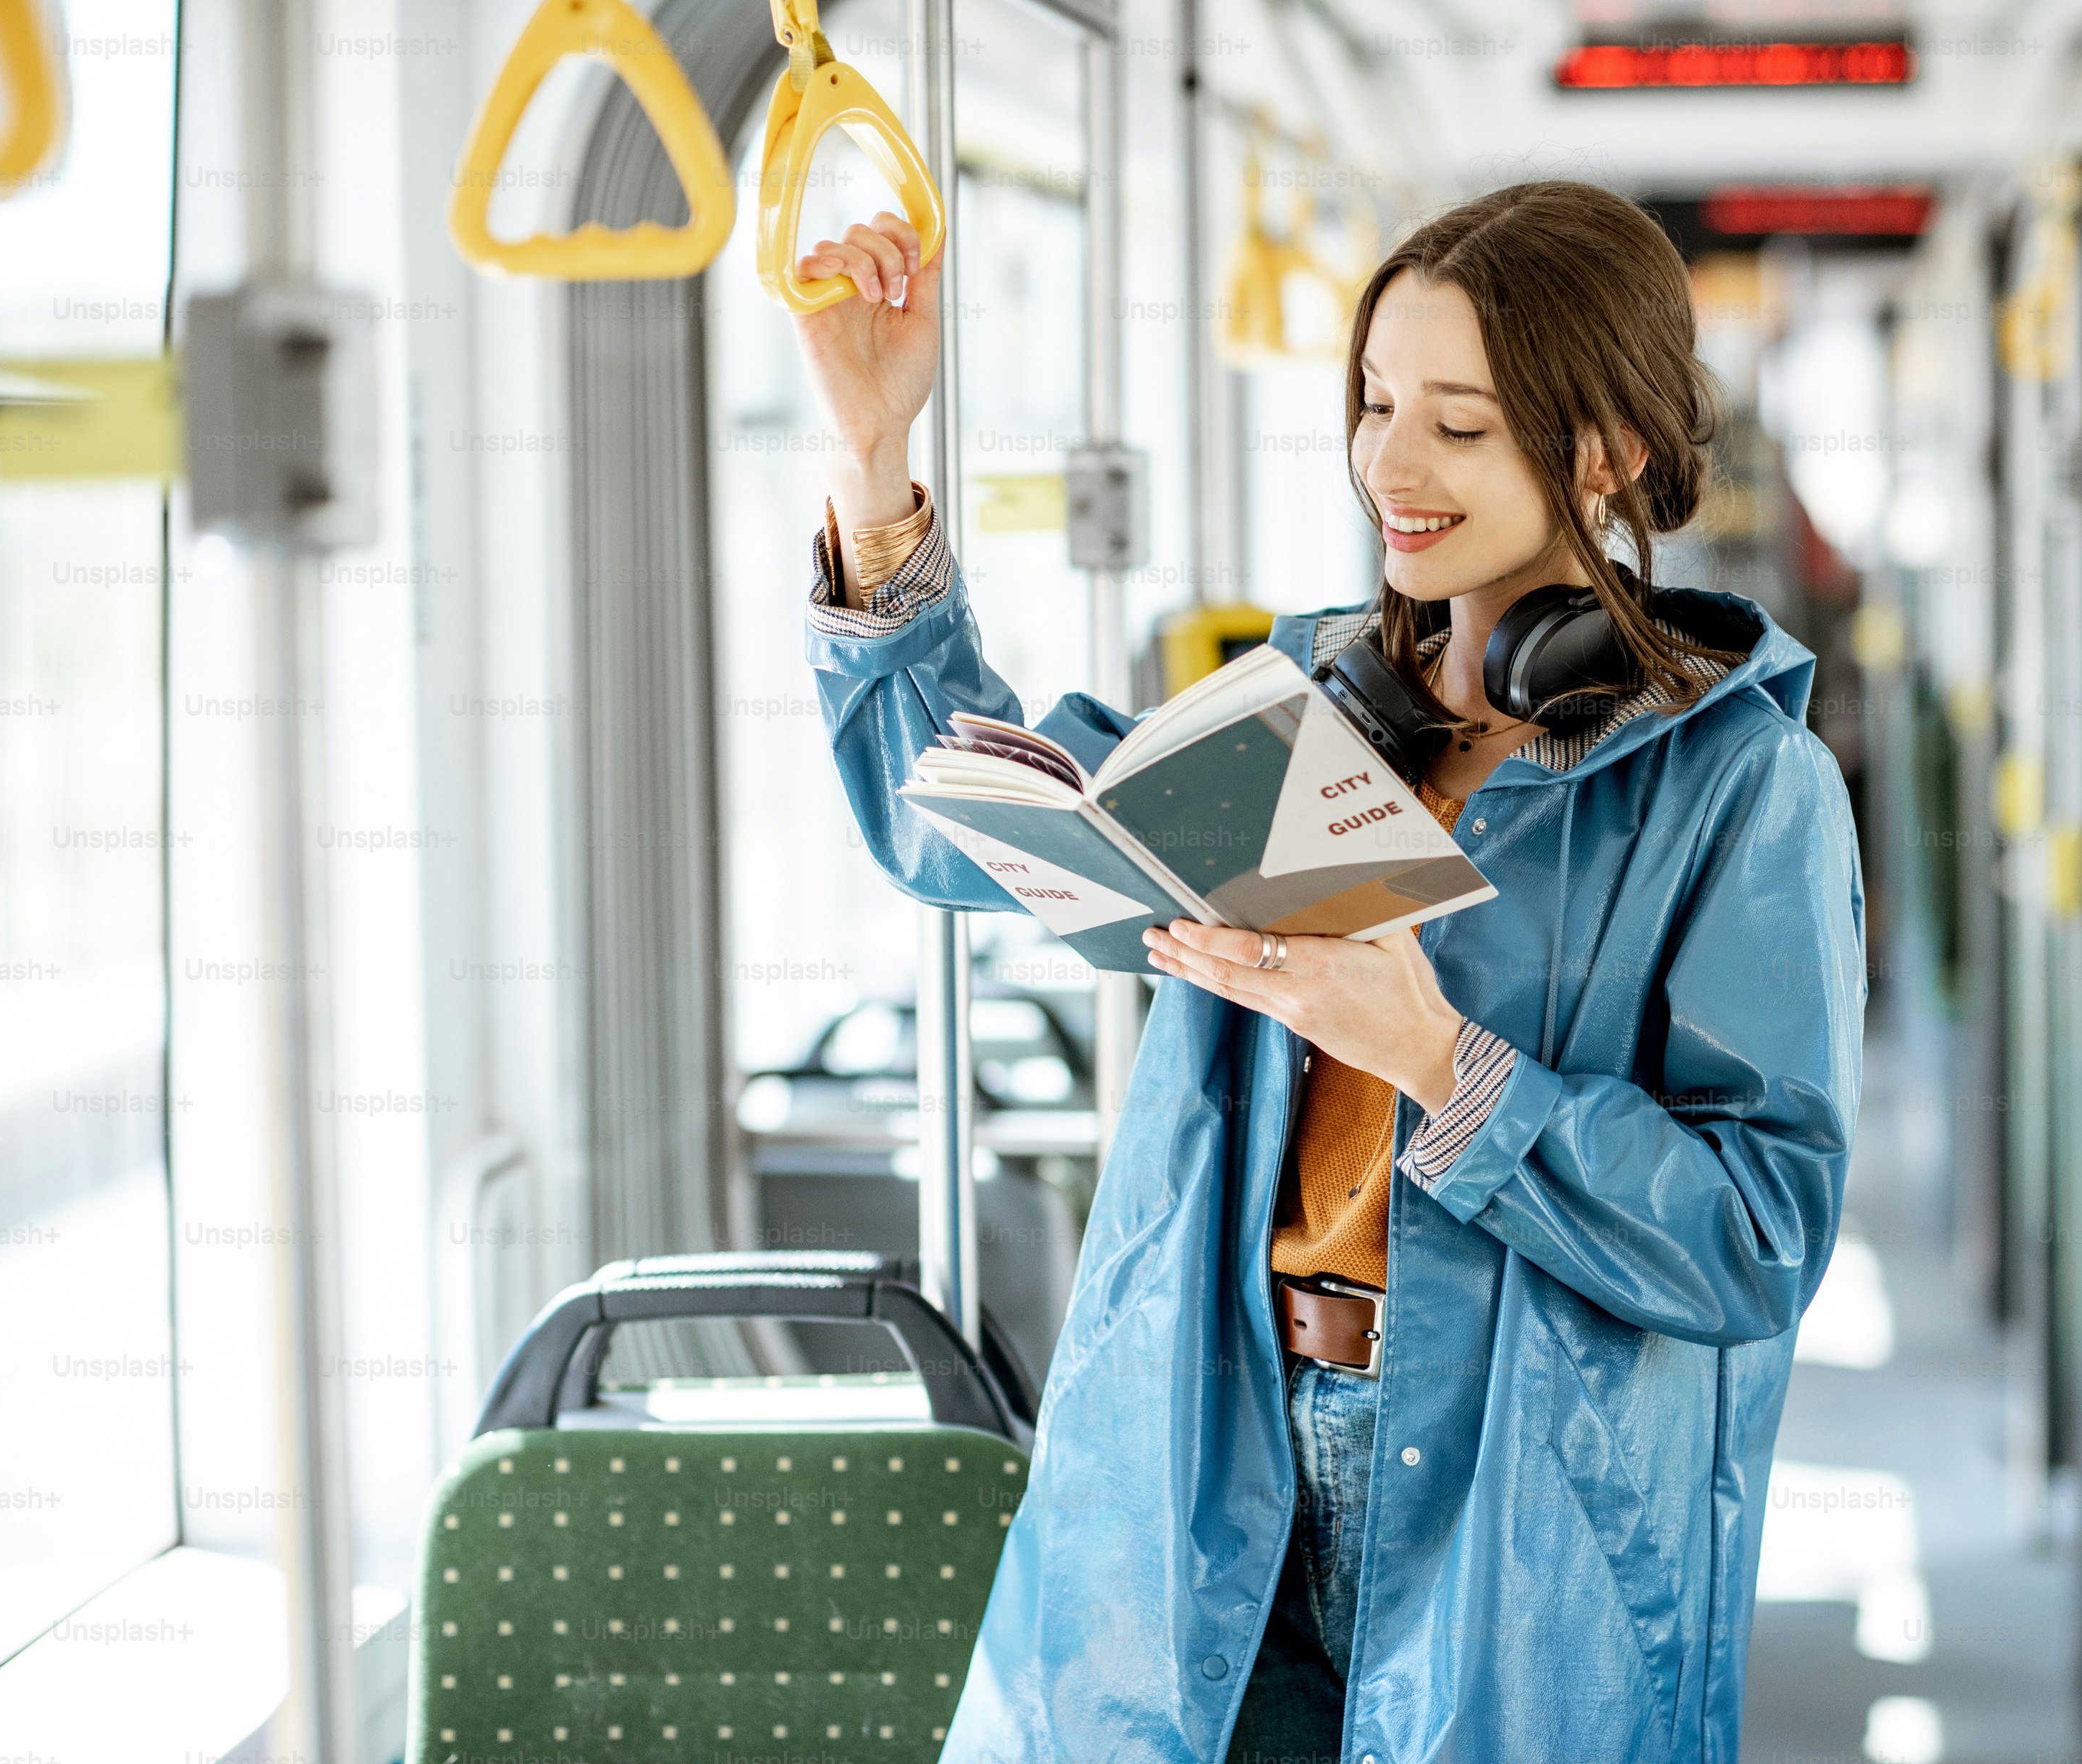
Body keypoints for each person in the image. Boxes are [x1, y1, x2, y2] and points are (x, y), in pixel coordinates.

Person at [792, 179, 1863, 1764]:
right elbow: (955, 819)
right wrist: (872, 463)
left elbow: (1753, 1236)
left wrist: (1448, 1065)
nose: (1391, 466)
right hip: (1210, 1431)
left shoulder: (1735, 789)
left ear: (1607, 452)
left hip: (1523, 1486)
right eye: (1372, 406)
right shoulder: (1307, 708)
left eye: (1459, 424)